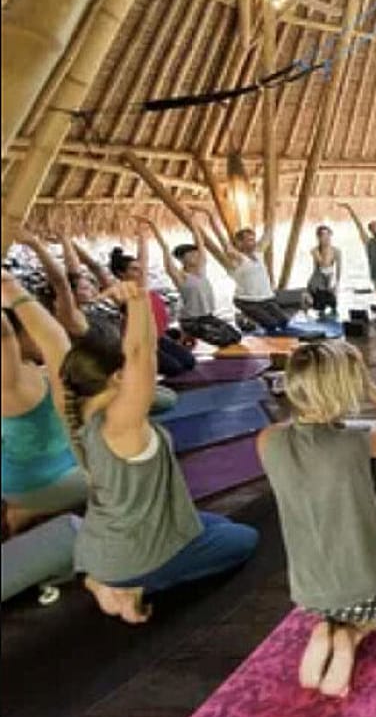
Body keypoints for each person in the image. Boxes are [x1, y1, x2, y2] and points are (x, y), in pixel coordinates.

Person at [62, 281, 258, 624]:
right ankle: (133, 586)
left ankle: (102, 578)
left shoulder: (84, 413)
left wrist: (136, 304)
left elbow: (140, 353)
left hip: (103, 545)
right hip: (133, 557)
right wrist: (138, 300)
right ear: (118, 376)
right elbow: (142, 353)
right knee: (245, 539)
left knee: (217, 524)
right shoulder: (121, 422)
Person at [258, 340, 376, 698]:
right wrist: (372, 389)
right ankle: (353, 633)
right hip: (367, 588)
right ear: (344, 388)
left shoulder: (267, 441)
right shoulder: (358, 441)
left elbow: (308, 440)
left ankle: (329, 624)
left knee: (343, 592)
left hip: (308, 592)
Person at [2, 272, 87, 534]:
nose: (40, 327)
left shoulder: (32, 368)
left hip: (47, 467)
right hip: (36, 484)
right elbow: (10, 335)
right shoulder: (11, 382)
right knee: (125, 474)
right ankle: (27, 510)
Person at [142, 212, 242, 347]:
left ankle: (184, 337)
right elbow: (165, 248)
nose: (196, 256)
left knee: (236, 337)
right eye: (192, 255)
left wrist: (192, 223)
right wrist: (153, 226)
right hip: (191, 321)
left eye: (196, 254)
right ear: (182, 259)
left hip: (208, 317)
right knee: (224, 341)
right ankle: (185, 334)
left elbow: (200, 243)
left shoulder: (201, 271)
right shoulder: (180, 276)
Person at [114, 223, 195, 377]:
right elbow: (97, 270)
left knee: (189, 362)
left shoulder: (142, 286)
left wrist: (142, 236)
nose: (139, 272)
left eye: (139, 268)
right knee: (175, 369)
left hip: (157, 338)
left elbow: (144, 259)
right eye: (134, 269)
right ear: (121, 274)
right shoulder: (120, 293)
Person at [221, 227, 303, 334]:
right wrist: (212, 220)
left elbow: (268, 232)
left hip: (266, 299)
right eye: (249, 240)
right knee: (272, 325)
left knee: (284, 322)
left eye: (253, 239)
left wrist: (271, 216)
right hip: (248, 302)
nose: (254, 242)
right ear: (239, 243)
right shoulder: (236, 259)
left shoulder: (258, 254)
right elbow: (224, 244)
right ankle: (247, 321)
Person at [307, 225, 342, 316]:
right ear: (319, 238)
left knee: (334, 305)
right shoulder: (315, 251)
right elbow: (323, 265)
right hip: (317, 283)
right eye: (323, 235)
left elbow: (338, 269)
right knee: (321, 307)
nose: (326, 237)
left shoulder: (337, 251)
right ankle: (309, 299)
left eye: (328, 234)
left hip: (328, 282)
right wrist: (326, 250)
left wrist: (336, 284)